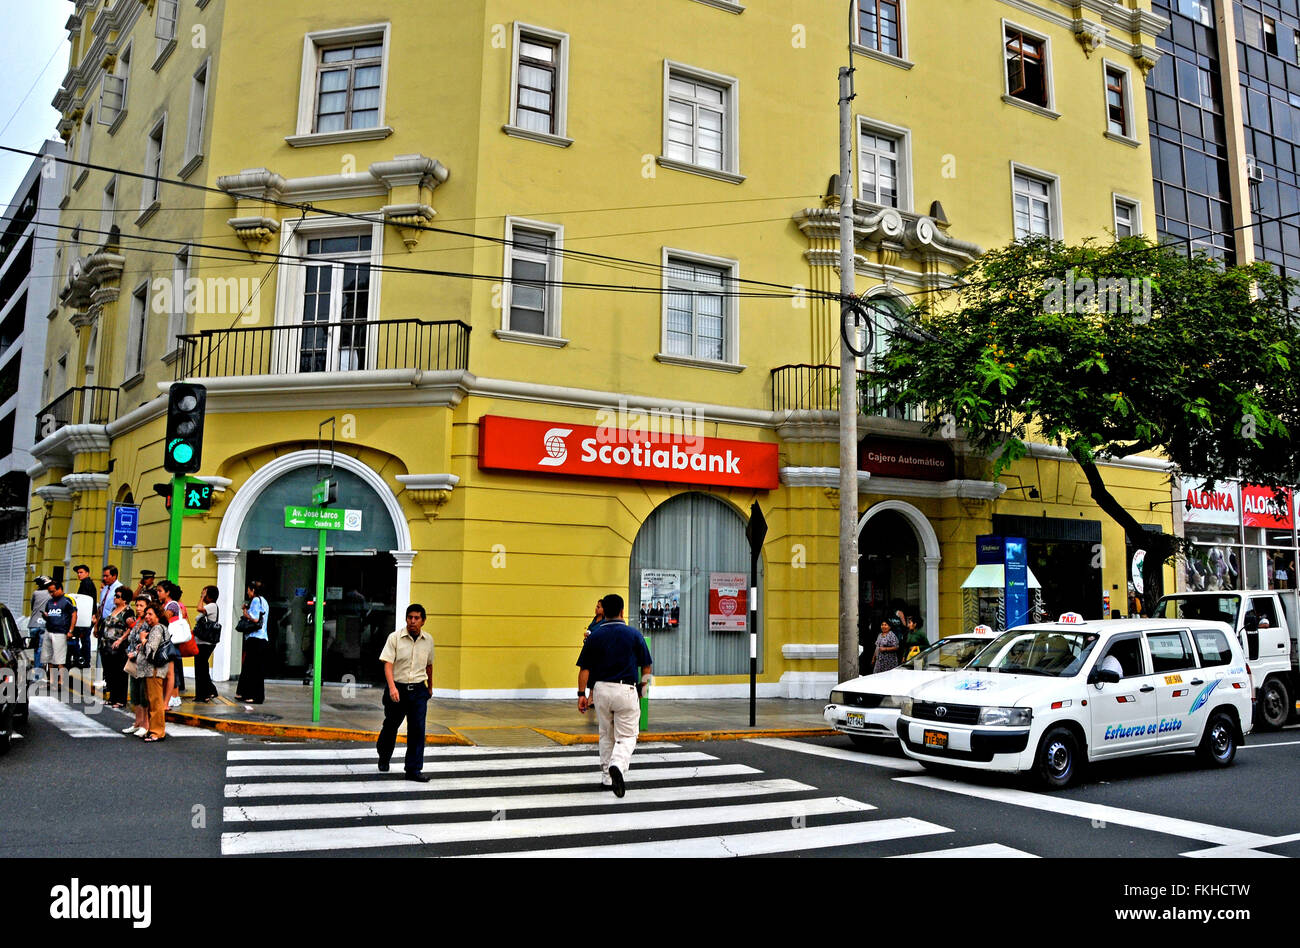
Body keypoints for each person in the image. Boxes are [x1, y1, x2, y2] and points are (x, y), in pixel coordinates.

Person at [576, 593, 652, 798]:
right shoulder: (634, 635)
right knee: (627, 735)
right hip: (625, 689)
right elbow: (646, 665)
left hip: (601, 690)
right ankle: (617, 764)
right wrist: (643, 690)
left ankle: (606, 777)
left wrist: (582, 694)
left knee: (606, 733)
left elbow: (584, 669)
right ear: (622, 611)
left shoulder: (595, 635)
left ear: (604, 611)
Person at [376, 604, 434, 781]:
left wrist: (430, 686)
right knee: (391, 726)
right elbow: (387, 663)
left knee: (417, 730)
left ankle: (413, 769)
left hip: (418, 690)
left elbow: (429, 665)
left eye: (416, 618)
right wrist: (392, 687)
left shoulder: (428, 640)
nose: (413, 621)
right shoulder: (395, 638)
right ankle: (384, 756)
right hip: (398, 689)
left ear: (423, 621)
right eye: (410, 617)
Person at [235, 580, 269, 704]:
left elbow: (255, 619)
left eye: (249, 590)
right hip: (262, 638)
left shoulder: (255, 600)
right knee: (253, 668)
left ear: (253, 590)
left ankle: (254, 696)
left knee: (253, 668)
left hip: (255, 638)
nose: (247, 592)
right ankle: (246, 693)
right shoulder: (264, 601)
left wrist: (245, 613)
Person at [123, 597, 152, 737]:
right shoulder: (137, 622)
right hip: (133, 661)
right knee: (135, 694)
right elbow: (131, 640)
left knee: (143, 694)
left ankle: (145, 725)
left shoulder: (148, 624)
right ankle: (137, 722)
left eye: (141, 605)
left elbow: (146, 642)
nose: (138, 608)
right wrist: (129, 652)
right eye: (137, 605)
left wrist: (134, 653)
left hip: (143, 661)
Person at [99, 587, 133, 708]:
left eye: (118, 596)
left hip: (118, 648)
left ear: (125, 599)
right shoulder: (114, 609)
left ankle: (120, 699)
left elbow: (131, 627)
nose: (115, 598)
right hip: (106, 646)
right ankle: (112, 697)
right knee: (109, 673)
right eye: (115, 595)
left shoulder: (128, 612)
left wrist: (121, 639)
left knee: (120, 674)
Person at [139, 603, 169, 742]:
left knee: (155, 701)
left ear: (158, 616)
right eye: (146, 614)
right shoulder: (159, 628)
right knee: (152, 700)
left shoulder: (157, 629)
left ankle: (157, 731)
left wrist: (143, 640)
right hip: (154, 670)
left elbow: (151, 650)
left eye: (150, 614)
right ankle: (153, 729)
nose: (147, 617)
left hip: (154, 670)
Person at [41, 580, 77, 693]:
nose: (51, 594)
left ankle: (61, 681)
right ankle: (52, 681)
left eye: (52, 591)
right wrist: (46, 616)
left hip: (60, 632)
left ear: (59, 589)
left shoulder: (67, 600)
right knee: (49, 659)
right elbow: (48, 614)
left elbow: (74, 614)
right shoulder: (50, 602)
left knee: (60, 659)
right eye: (49, 592)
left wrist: (70, 630)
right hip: (49, 631)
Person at [157, 581, 187, 708]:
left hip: (172, 642)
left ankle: (174, 696)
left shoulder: (172, 605)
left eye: (160, 591)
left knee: (172, 671)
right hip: (167, 641)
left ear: (167, 592)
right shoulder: (165, 605)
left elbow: (164, 619)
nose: (158, 593)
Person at [192, 585, 221, 702]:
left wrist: (201, 598)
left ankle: (203, 695)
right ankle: (210, 691)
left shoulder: (212, 606)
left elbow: (199, 608)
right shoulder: (210, 606)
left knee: (200, 669)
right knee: (202, 668)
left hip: (205, 643)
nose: (202, 596)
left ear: (210, 596)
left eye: (204, 594)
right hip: (202, 642)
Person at [29, 575, 51, 674]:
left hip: (33, 623)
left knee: (35, 648)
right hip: (44, 624)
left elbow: (32, 606)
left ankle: (36, 669)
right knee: (41, 649)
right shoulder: (50, 594)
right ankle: (38, 671)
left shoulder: (35, 593)